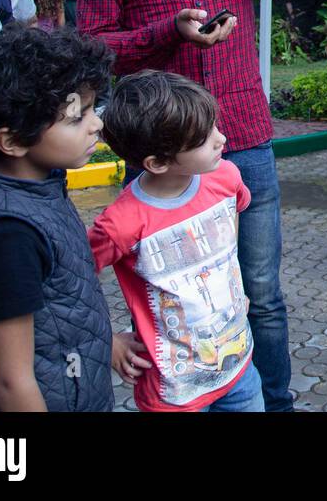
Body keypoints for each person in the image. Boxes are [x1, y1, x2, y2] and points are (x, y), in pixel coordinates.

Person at [77, 0, 327, 412]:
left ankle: (275, 402)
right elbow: (94, 45)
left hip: (243, 141)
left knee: (261, 294)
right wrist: (168, 32)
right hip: (161, 154)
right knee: (179, 292)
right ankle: (187, 393)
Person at [0, 27, 116, 411]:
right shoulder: (9, 233)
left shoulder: (38, 187)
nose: (96, 124)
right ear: (14, 140)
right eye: (76, 118)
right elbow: (11, 381)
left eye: (91, 109)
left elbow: (56, 312)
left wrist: (99, 345)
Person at [91, 71, 262, 412]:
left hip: (240, 371)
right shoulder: (121, 223)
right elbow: (69, 280)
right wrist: (105, 341)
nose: (221, 138)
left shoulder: (226, 178)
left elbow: (232, 220)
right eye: (202, 138)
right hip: (175, 393)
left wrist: (233, 287)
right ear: (157, 162)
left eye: (214, 125)